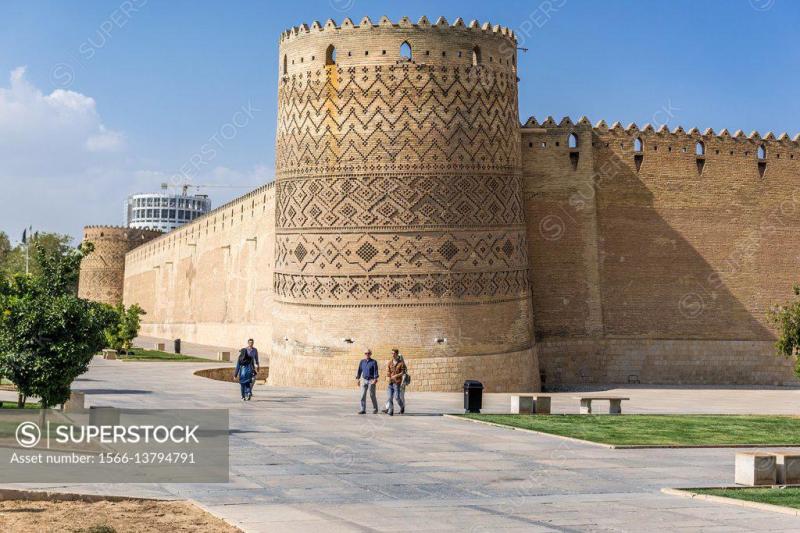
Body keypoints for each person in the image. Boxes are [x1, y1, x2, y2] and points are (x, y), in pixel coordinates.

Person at [355, 349, 379, 414]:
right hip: (364, 380)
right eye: (366, 353)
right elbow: (359, 370)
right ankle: (363, 409)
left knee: (372, 395)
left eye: (368, 353)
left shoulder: (374, 362)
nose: (367, 354)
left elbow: (376, 371)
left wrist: (375, 379)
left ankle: (375, 409)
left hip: (371, 380)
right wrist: (358, 379)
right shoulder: (362, 361)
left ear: (370, 354)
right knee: (362, 395)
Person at [384, 349, 406, 416]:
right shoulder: (390, 362)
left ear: (397, 354)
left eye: (393, 353)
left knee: (397, 397)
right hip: (390, 383)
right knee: (390, 397)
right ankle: (391, 410)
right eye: (392, 353)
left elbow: (403, 372)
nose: (392, 354)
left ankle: (402, 407)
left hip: (397, 383)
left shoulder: (401, 363)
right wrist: (388, 376)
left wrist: (396, 375)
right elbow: (388, 371)